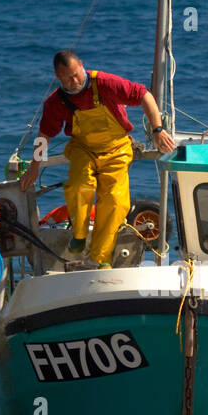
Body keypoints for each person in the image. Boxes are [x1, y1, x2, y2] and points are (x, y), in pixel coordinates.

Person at [20, 50, 174, 267]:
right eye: (68, 78)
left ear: (82, 65)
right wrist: (34, 167)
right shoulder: (55, 102)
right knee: (77, 185)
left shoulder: (104, 83)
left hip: (116, 148)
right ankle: (80, 235)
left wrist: (158, 129)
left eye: (77, 74)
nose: (75, 81)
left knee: (114, 201)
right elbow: (44, 135)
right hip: (83, 148)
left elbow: (143, 95)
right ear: (58, 78)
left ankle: (101, 259)